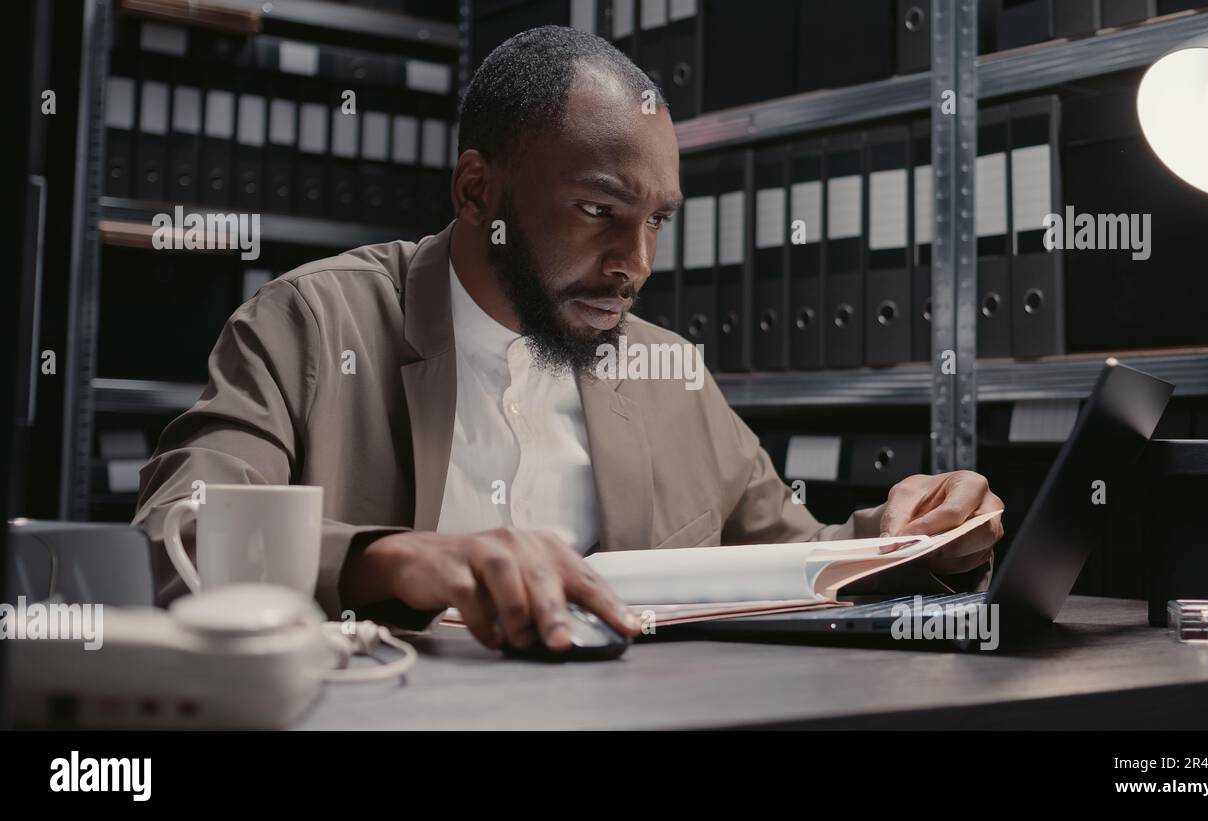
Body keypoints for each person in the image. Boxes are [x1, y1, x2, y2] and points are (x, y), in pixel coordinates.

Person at [135, 26, 1003, 653]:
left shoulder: (668, 371)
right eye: (598, 211)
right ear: (478, 191)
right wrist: (393, 562)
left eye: (657, 220)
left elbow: (790, 559)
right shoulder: (309, 325)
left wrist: (916, 538)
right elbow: (177, 535)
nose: (635, 264)